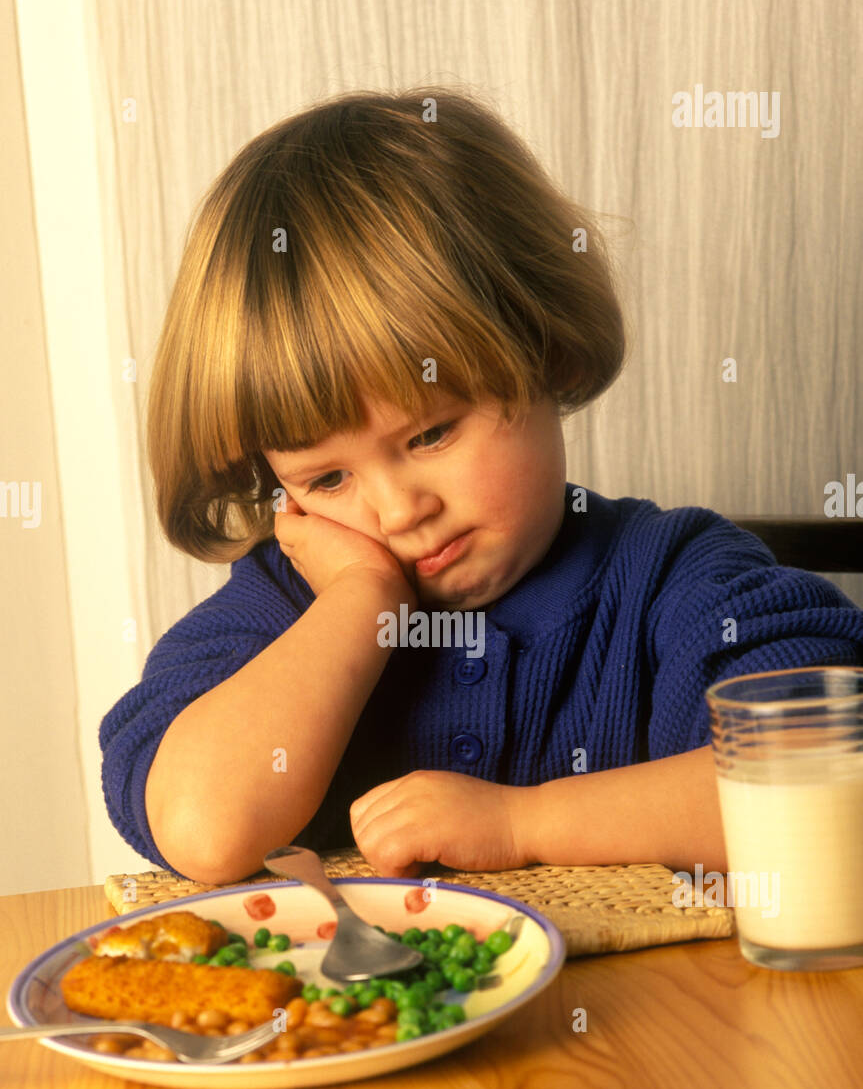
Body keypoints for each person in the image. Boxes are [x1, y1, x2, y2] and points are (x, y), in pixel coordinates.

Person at [100, 86, 863, 886]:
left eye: (431, 433)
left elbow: (823, 781)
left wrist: (522, 822)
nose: (400, 512)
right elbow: (203, 831)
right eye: (326, 478)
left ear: (548, 351)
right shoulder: (281, 616)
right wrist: (362, 601)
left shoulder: (674, 578)